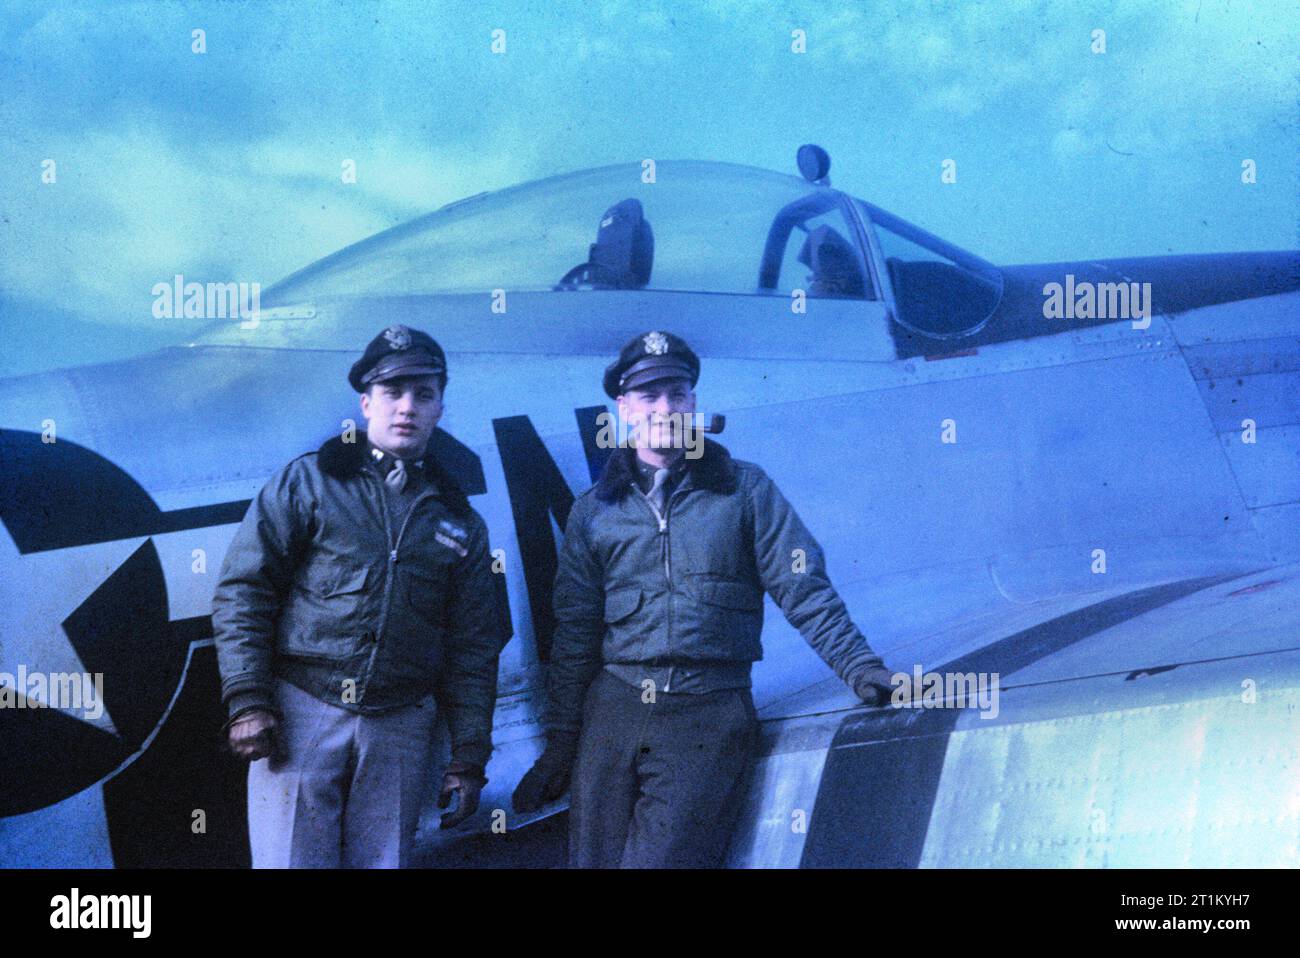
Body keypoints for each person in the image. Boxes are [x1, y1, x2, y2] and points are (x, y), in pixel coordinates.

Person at [512, 329, 895, 867]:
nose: (666, 408)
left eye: (678, 393)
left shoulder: (745, 490)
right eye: (649, 396)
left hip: (707, 711)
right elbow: (575, 632)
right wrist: (561, 743)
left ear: (693, 401)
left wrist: (861, 668)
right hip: (615, 706)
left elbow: (802, 587)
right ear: (623, 408)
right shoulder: (594, 510)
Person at [211, 324, 505, 868]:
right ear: (366, 402)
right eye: (393, 392)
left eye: (424, 393)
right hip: (302, 711)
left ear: (440, 407)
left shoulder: (459, 521)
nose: (407, 407)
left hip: (400, 726)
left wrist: (468, 757)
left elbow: (474, 648)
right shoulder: (309, 482)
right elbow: (245, 590)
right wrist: (248, 699)